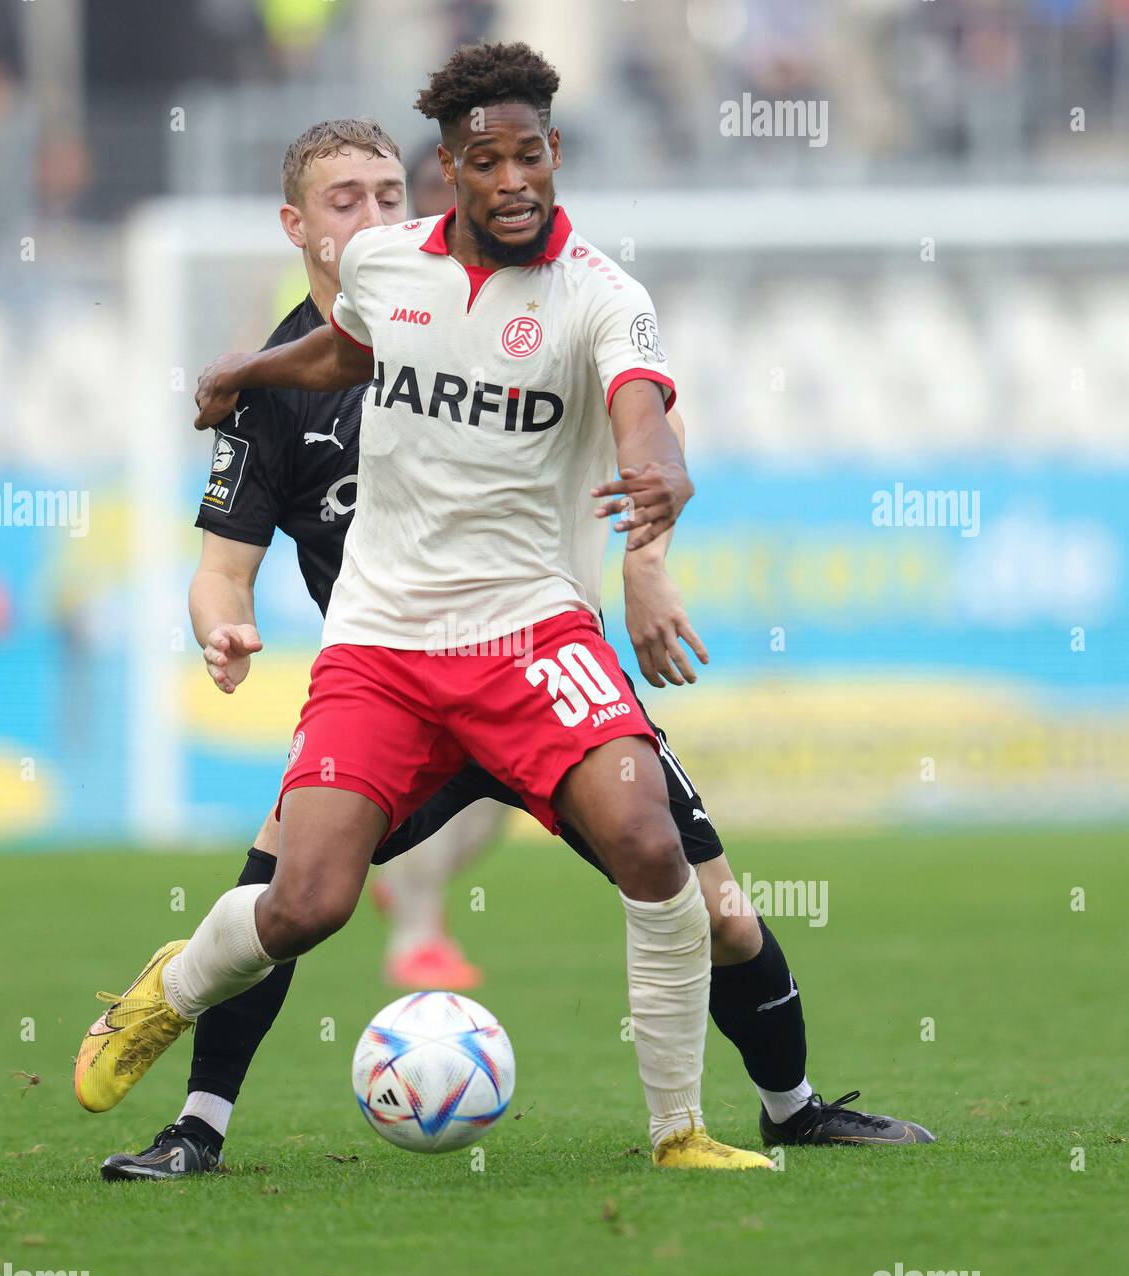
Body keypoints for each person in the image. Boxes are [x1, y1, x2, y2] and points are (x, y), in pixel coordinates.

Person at [79, 44, 930, 1181]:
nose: (516, 178)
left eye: (533, 155)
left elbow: (641, 416)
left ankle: (705, 1125)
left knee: (667, 861)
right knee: (299, 901)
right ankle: (172, 1016)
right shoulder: (391, 270)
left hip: (533, 642)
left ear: (554, 156)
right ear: (457, 172)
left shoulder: (601, 296)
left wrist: (659, 484)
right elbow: (350, 344)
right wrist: (250, 370)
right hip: (381, 652)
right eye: (490, 160)